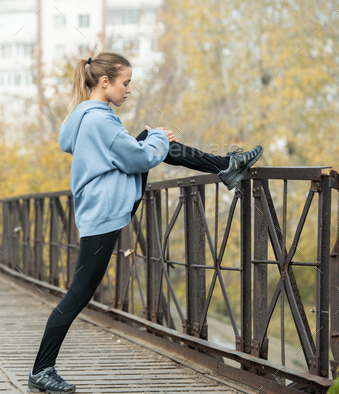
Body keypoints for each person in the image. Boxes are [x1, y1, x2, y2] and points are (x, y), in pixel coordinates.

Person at [27, 52, 263, 394]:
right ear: (104, 82)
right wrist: (154, 140)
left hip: (103, 204)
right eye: (126, 83)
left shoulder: (85, 117)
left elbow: (122, 151)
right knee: (78, 294)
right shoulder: (100, 121)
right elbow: (136, 158)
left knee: (159, 142)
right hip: (104, 211)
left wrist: (153, 139)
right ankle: (41, 369)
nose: (128, 90)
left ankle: (225, 165)